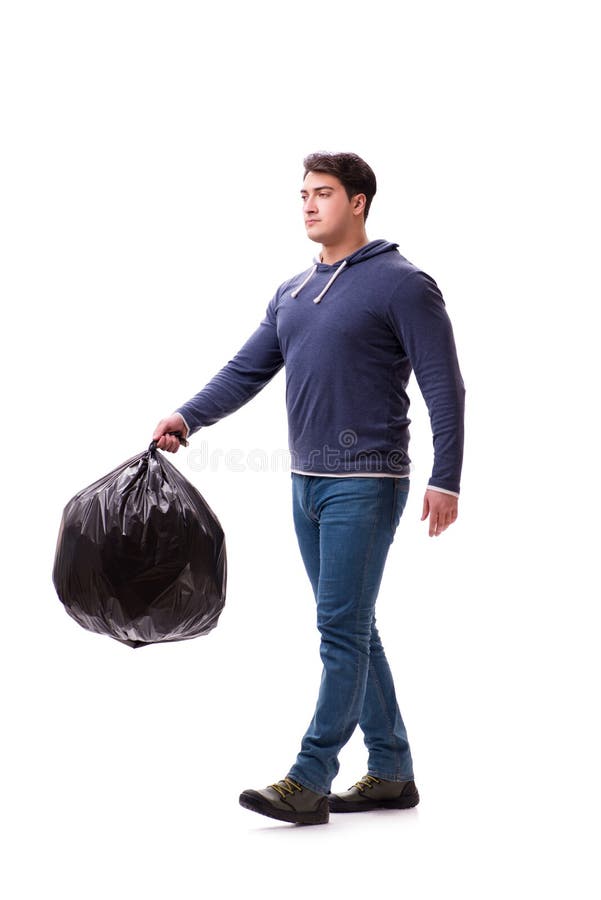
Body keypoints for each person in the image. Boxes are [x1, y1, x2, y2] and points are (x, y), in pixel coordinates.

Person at [153, 151, 465, 826]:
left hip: (367, 480)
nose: (307, 205)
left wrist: (446, 478)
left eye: (322, 193)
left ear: (357, 202)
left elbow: (443, 383)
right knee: (353, 626)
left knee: (337, 628)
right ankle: (390, 771)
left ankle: (309, 776)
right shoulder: (292, 291)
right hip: (304, 482)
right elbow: (246, 370)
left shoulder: (402, 285)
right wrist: (187, 417)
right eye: (302, 194)